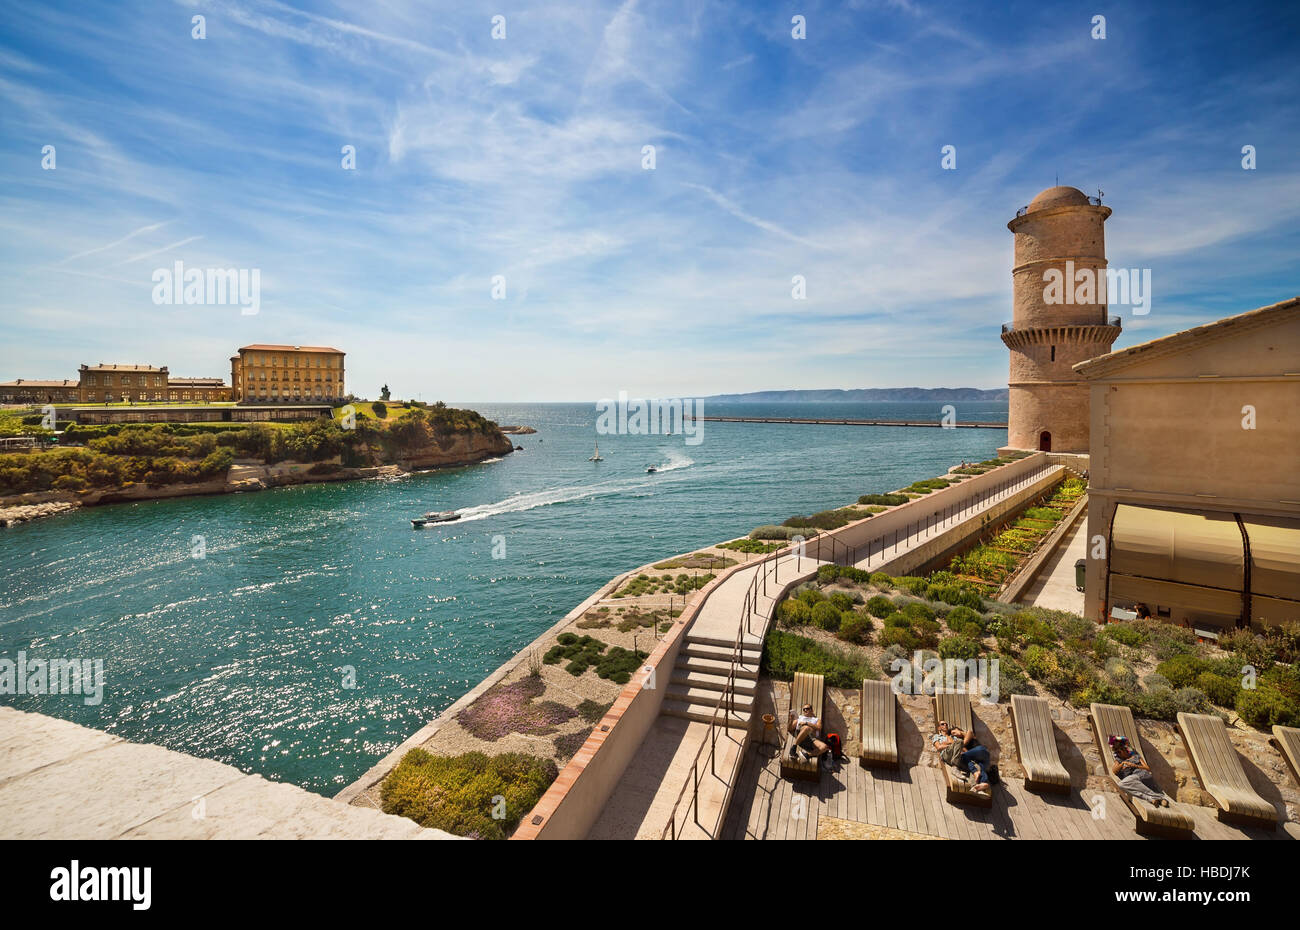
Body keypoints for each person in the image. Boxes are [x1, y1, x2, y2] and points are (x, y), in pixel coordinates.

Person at [1109, 735, 1170, 806]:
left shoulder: (1135, 756)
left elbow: (1148, 768)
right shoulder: (1119, 760)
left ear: (1125, 749)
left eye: (1120, 751)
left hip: (1143, 775)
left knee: (1124, 783)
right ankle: (1153, 798)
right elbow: (1114, 771)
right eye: (1117, 752)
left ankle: (1156, 797)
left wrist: (1135, 765)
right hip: (1133, 780)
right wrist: (1123, 763)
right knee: (1121, 785)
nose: (1119, 753)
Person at [932, 720, 991, 793]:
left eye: (946, 724)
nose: (945, 725)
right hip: (947, 755)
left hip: (958, 756)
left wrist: (952, 743)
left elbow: (963, 748)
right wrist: (953, 744)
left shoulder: (953, 737)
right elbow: (939, 747)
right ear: (939, 728)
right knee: (959, 741)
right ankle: (954, 767)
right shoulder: (937, 736)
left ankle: (975, 786)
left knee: (976, 766)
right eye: (942, 724)